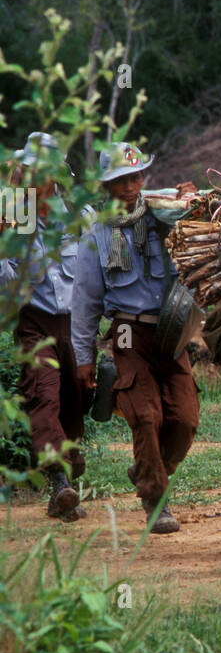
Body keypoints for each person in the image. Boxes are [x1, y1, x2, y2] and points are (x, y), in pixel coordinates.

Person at [71, 143, 200, 535]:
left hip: (171, 329)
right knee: (145, 415)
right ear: (106, 186)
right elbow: (85, 300)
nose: (130, 187)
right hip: (127, 330)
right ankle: (155, 500)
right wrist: (83, 356)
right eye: (121, 180)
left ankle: (148, 467)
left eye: (136, 177)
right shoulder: (96, 234)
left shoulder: (165, 216)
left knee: (185, 418)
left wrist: (192, 205)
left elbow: (207, 233)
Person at [0, 133, 92, 520]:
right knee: (43, 395)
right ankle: (58, 479)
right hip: (34, 323)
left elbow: (96, 272)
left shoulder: (78, 217)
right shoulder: (13, 216)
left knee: (74, 400)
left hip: (76, 324)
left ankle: (63, 488)